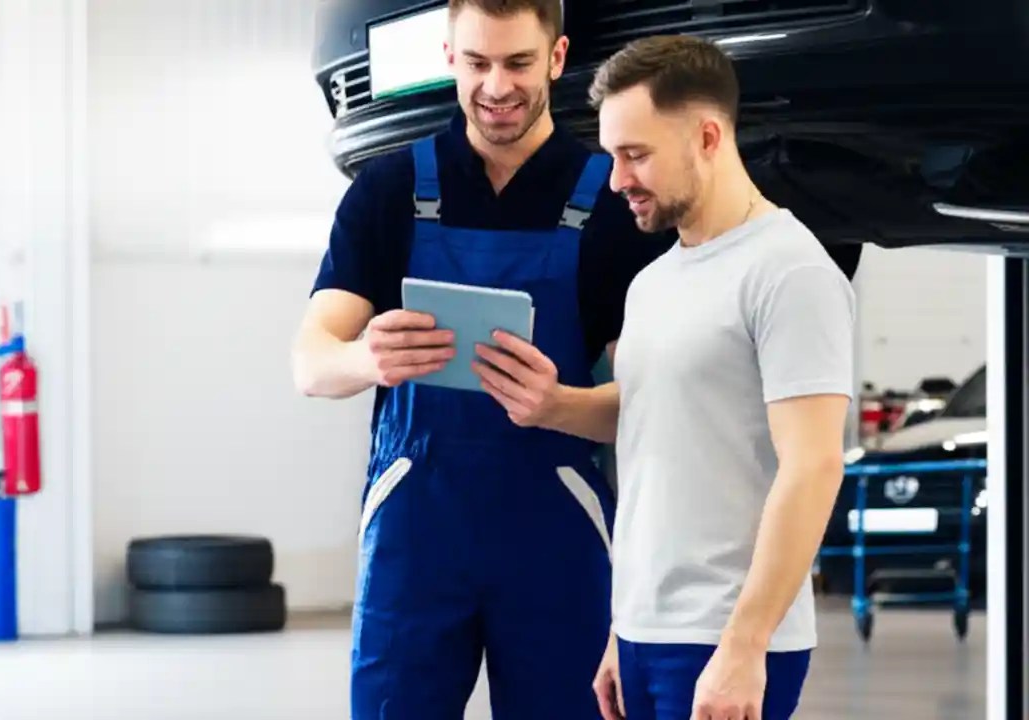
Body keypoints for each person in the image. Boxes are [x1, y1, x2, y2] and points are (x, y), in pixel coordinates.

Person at [290, 1, 671, 717]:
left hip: (556, 530)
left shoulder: (615, 205)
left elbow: (654, 403)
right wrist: (370, 358)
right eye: (477, 63)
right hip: (415, 531)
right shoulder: (389, 191)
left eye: (519, 63)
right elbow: (311, 364)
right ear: (449, 57)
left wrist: (560, 405)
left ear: (557, 59)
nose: (497, 86)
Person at [473, 35, 855, 720]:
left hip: (724, 637)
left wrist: (745, 644)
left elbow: (814, 464)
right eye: (613, 154)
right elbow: (655, 410)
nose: (617, 180)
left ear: (708, 136)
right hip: (647, 630)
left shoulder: (789, 271)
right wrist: (554, 405)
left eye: (636, 154)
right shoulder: (654, 282)